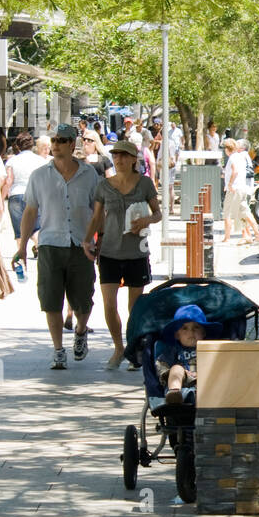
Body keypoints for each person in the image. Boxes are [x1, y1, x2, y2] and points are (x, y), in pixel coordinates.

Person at [13, 123, 99, 369]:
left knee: (84, 300)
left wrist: (97, 239)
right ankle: (58, 349)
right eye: (53, 140)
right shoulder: (39, 176)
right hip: (50, 243)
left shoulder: (89, 174)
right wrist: (21, 247)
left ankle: (80, 331)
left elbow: (98, 210)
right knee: (51, 300)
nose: (56, 144)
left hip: (81, 245)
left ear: (73, 144)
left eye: (61, 140)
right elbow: (30, 211)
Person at [84, 140, 161, 369]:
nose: (119, 160)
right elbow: (97, 217)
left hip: (136, 252)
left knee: (134, 306)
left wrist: (146, 219)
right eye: (115, 156)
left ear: (133, 159)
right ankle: (118, 348)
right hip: (109, 251)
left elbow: (158, 213)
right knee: (109, 304)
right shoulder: (104, 186)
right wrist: (87, 240)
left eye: (124, 156)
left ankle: (134, 348)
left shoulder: (145, 184)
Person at [155, 304, 222, 404]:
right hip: (182, 385)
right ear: (177, 335)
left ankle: (197, 396)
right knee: (176, 368)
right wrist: (168, 374)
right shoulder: (173, 349)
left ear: (204, 332)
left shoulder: (210, 347)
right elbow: (161, 364)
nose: (191, 332)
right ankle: (174, 393)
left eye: (196, 327)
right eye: (184, 328)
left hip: (206, 382)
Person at [5, 132, 46, 239]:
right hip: (34, 195)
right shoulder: (41, 161)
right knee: (36, 228)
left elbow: (9, 180)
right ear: (32, 145)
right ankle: (39, 250)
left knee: (19, 232)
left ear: (18, 146)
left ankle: (21, 254)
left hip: (16, 194)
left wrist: (2, 196)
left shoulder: (12, 161)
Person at [224, 138, 259, 243]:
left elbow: (235, 172)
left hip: (235, 189)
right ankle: (251, 235)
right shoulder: (240, 157)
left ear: (227, 149)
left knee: (229, 213)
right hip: (241, 187)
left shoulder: (233, 158)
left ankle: (227, 238)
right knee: (244, 213)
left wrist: (229, 184)